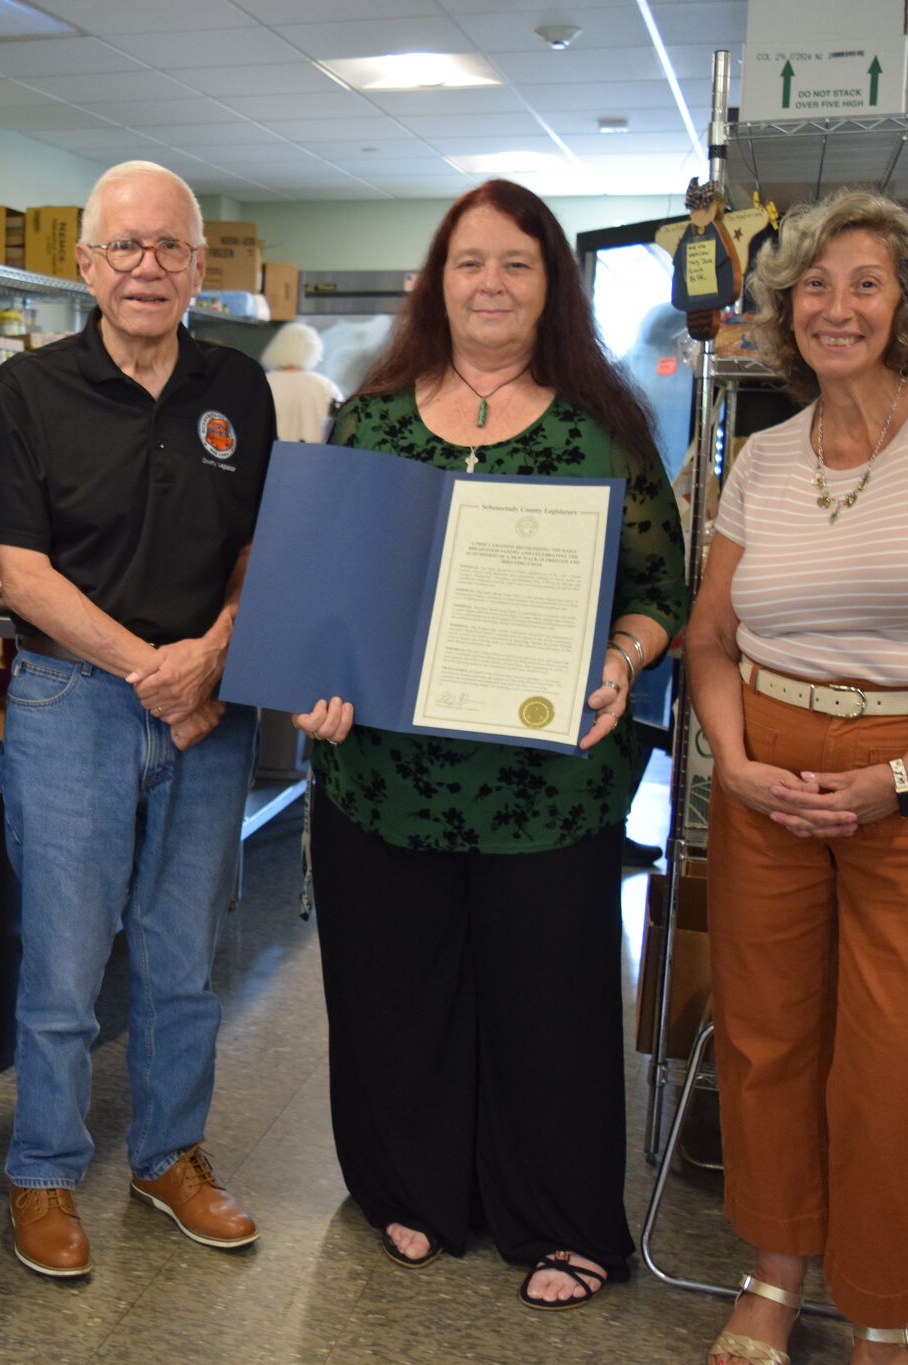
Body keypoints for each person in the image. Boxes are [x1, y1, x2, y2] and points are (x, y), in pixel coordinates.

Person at [304, 180, 687, 1305]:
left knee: (546, 1002)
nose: (489, 284)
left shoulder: (603, 427)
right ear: (437, 282)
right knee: (396, 995)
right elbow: (325, 595)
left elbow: (661, 588)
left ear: (549, 284)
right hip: (381, 778)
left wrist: (620, 657)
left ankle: (563, 1219)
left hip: (543, 786)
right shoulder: (367, 422)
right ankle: (409, 1189)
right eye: (468, 262)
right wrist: (314, 680)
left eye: (515, 264)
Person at [690, 189, 908, 1365]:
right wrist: (733, 763)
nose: (833, 307)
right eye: (811, 285)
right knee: (766, 1039)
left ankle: (884, 1302)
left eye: (862, 284)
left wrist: (902, 778)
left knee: (893, 1067)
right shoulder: (759, 455)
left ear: (906, 305)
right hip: (771, 779)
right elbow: (707, 639)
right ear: (782, 308)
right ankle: (773, 1273)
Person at [0, 160, 278, 1277]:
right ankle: (43, 1170)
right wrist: (156, 669)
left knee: (181, 952)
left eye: (168, 248)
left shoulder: (236, 389)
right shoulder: (28, 390)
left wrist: (213, 652)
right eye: (125, 246)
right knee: (62, 959)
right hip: (70, 700)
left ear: (198, 267)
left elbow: (258, 548)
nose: (146, 266)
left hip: (208, 701)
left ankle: (168, 1157)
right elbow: (19, 568)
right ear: (85, 263)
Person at [261, 320, 345, 442]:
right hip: (314, 458)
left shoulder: (263, 383)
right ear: (314, 351)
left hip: (269, 458)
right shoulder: (327, 387)